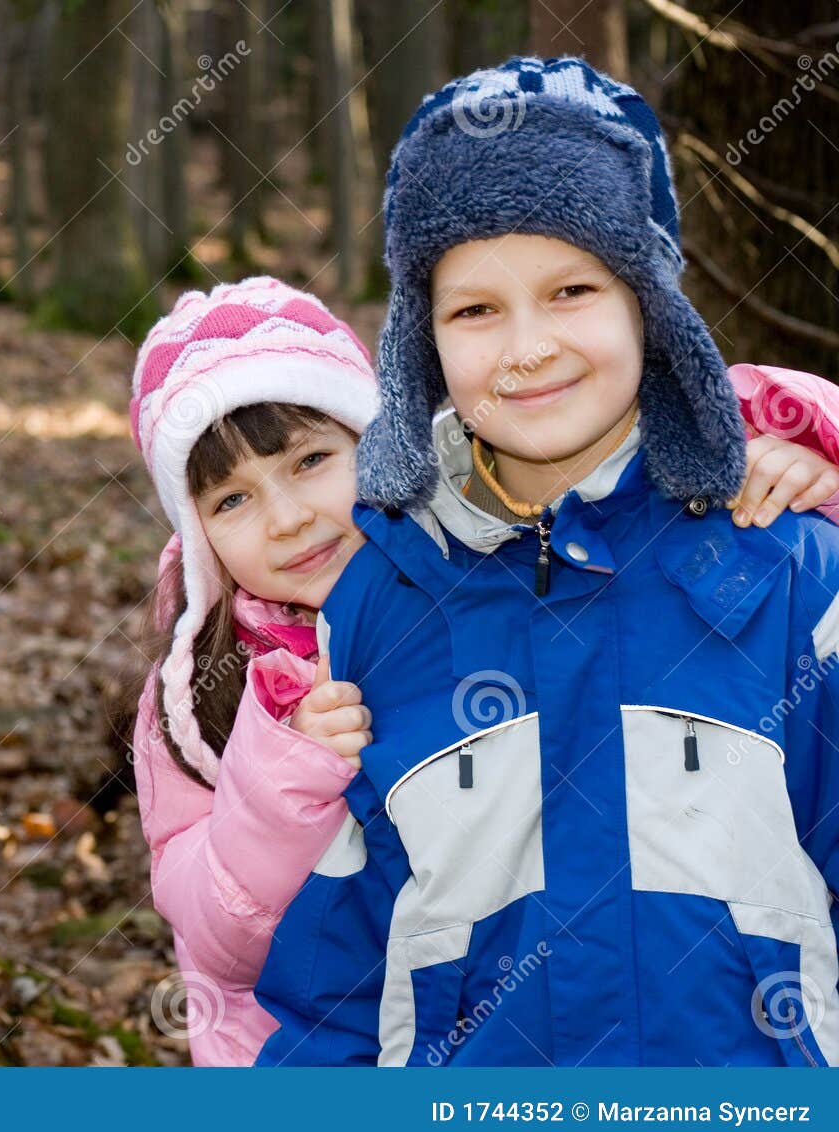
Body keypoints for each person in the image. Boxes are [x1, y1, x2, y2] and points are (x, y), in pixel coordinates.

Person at [253, 55, 839, 1067]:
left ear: (647, 306)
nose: (525, 347)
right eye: (474, 309)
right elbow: (338, 982)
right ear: (422, 342)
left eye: (571, 289)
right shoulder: (374, 603)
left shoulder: (786, 568)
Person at [126, 263, 839, 1063]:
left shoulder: (479, 576)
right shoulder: (197, 698)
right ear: (198, 542)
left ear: (379, 444)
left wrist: (809, 449)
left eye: (310, 462)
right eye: (231, 500)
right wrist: (280, 776)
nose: (288, 519)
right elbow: (225, 945)